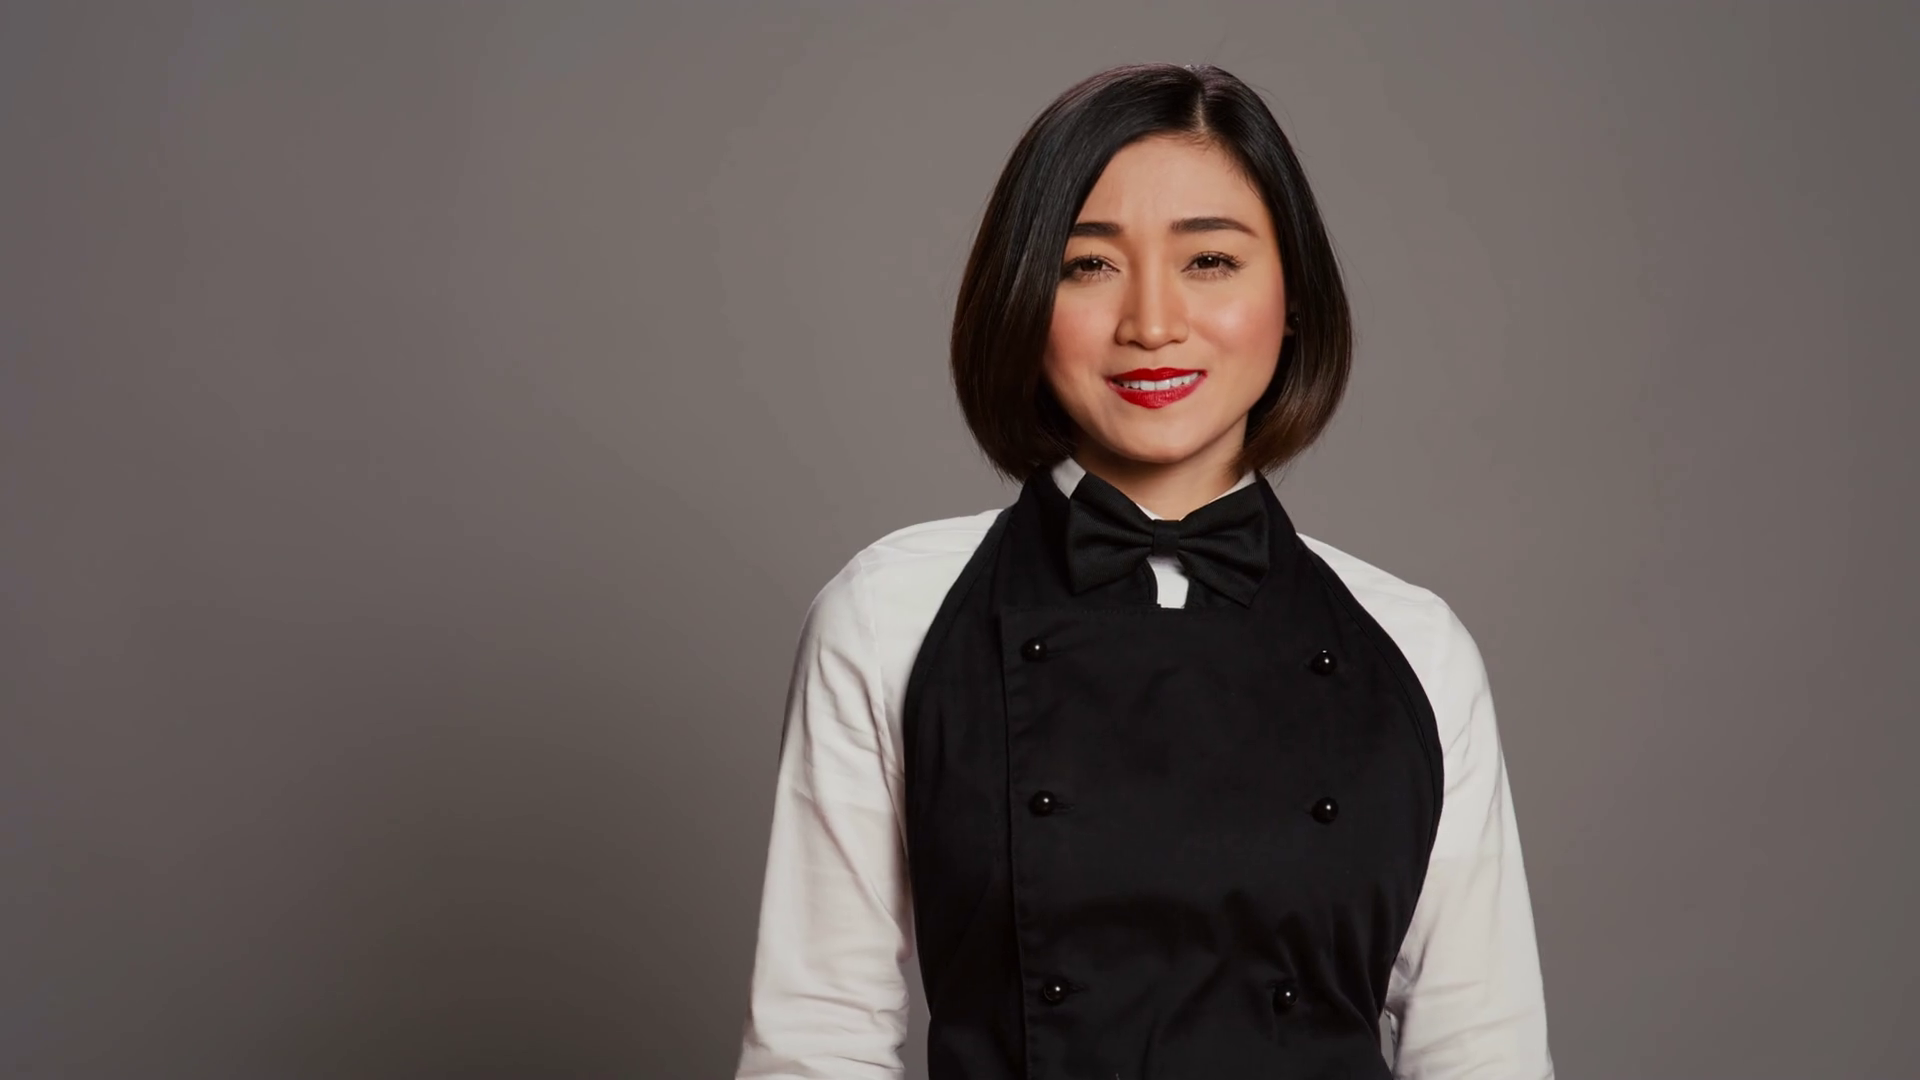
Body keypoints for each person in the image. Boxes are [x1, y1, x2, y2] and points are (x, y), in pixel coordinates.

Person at [734, 62, 1553, 1079]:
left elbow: (1480, 1052)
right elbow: (817, 1041)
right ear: (1024, 302)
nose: (1153, 322)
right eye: (1088, 266)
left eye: (1210, 260)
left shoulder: (1417, 648)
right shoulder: (887, 615)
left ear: (1292, 297)